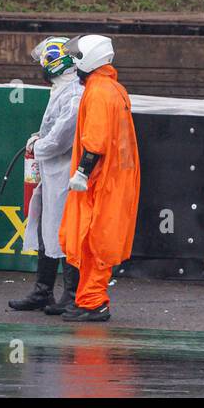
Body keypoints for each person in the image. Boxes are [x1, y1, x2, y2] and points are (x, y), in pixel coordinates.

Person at [58, 35, 141, 322]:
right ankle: (87, 299)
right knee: (92, 241)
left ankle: (94, 303)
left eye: (77, 57)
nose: (74, 63)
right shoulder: (112, 88)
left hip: (101, 183)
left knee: (94, 242)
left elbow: (95, 141)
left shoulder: (98, 92)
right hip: (112, 181)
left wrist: (82, 172)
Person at [9, 37, 83, 314]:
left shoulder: (73, 93)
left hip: (64, 171)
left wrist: (39, 145)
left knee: (62, 231)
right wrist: (41, 139)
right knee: (46, 227)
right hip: (54, 172)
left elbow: (61, 137)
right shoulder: (63, 88)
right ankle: (44, 291)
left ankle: (70, 294)